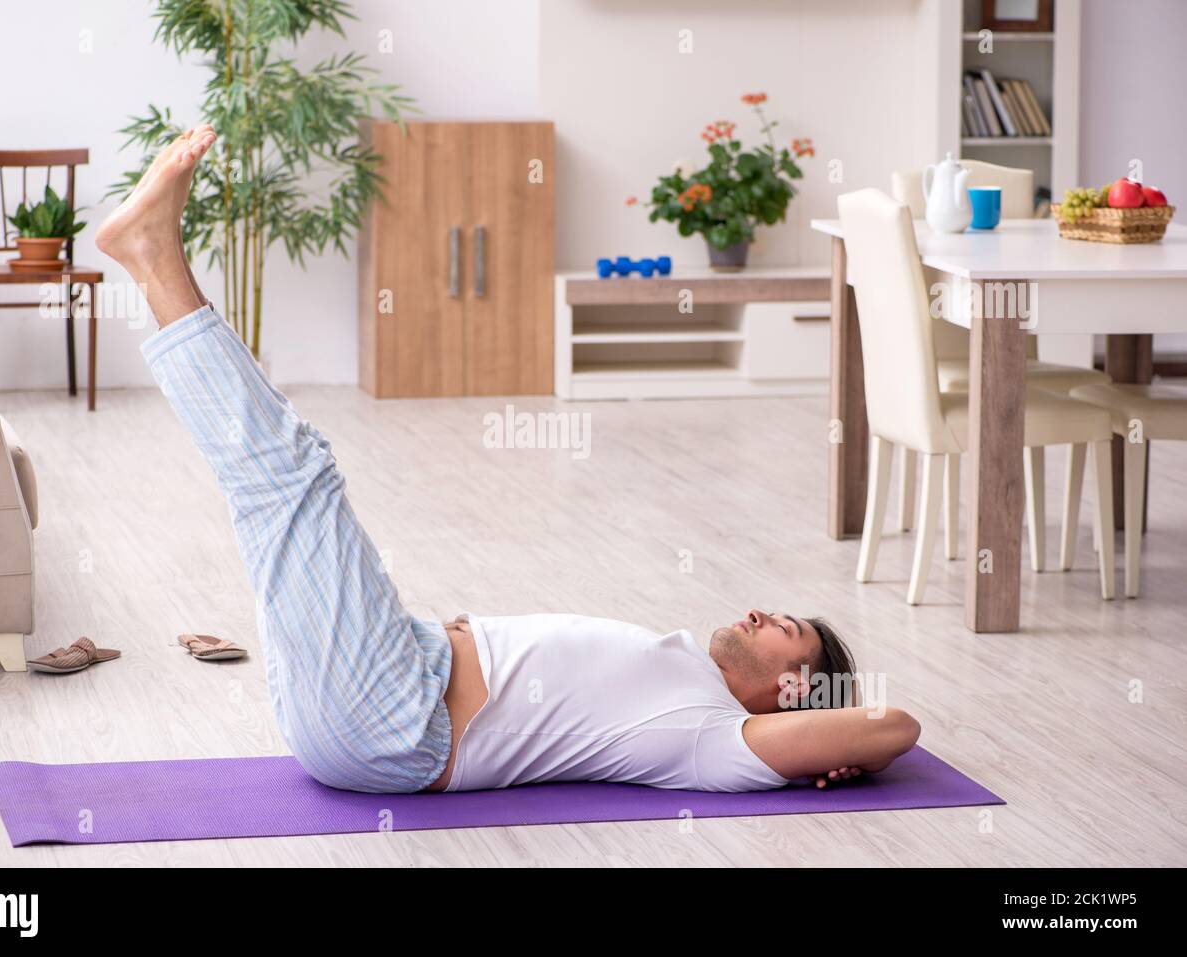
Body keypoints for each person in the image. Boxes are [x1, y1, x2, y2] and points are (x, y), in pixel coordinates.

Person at [95, 126, 921, 795]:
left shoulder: (713, 740)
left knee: (290, 476)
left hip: (393, 717)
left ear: (795, 690)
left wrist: (829, 744)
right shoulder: (691, 681)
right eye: (775, 610)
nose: (760, 614)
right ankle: (147, 257)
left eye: (786, 633)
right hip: (395, 673)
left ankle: (153, 256)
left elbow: (896, 726)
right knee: (274, 492)